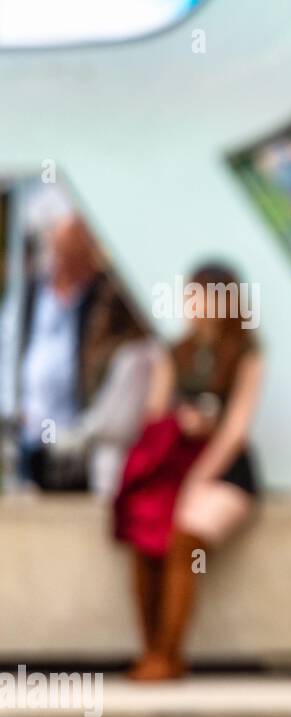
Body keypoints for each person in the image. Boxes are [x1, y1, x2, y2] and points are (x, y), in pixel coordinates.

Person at [123, 264, 264, 681]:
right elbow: (153, 413)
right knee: (145, 539)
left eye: (202, 296)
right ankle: (153, 650)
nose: (194, 306)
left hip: (223, 473)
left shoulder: (245, 356)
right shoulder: (176, 352)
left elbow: (235, 433)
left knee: (185, 540)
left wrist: (199, 470)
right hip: (176, 465)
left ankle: (167, 653)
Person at [15, 215, 105, 490]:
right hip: (31, 421)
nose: (61, 259)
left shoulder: (100, 294)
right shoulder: (34, 289)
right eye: (59, 250)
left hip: (75, 425)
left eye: (70, 251)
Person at [58, 279, 162, 497]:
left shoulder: (137, 357)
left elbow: (117, 420)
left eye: (104, 307)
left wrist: (73, 436)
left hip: (122, 463)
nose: (98, 316)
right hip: (107, 464)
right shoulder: (127, 354)